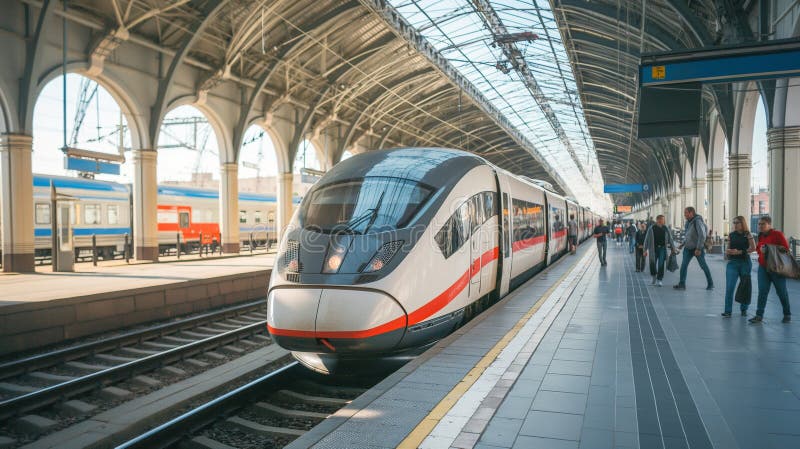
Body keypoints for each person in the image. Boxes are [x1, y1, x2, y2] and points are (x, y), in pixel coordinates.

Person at [749, 216, 792, 324]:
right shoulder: (761, 235)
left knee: (781, 292)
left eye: (763, 224)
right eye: (759, 224)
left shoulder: (778, 234)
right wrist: (761, 251)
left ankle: (787, 314)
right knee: (762, 291)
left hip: (776, 268)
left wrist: (769, 248)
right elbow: (759, 249)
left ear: (769, 224)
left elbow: (786, 249)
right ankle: (759, 316)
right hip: (763, 267)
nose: (760, 226)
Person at [674, 206, 714, 290]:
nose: (684, 215)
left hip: (697, 249)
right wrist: (682, 244)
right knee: (684, 266)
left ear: (691, 213)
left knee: (703, 266)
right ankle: (682, 284)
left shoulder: (698, 221)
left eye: (686, 213)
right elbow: (687, 236)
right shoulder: (688, 222)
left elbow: (702, 235)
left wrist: (699, 248)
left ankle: (710, 283)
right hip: (688, 248)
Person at [723, 216, 755, 317]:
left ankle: (744, 309)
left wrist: (740, 252)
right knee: (729, 287)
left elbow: (753, 248)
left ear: (742, 223)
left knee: (745, 286)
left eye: (737, 223)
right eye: (734, 223)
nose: (735, 225)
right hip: (733, 263)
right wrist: (728, 252)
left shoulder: (748, 234)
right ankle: (728, 311)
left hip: (745, 263)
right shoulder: (731, 235)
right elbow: (727, 249)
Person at [644, 215, 676, 286]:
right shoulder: (651, 228)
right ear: (658, 220)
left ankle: (659, 279)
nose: (663, 221)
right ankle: (654, 277)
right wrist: (645, 250)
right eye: (662, 219)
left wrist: (673, 248)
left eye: (664, 220)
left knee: (661, 264)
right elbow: (646, 239)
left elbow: (670, 239)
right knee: (652, 263)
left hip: (662, 249)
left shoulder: (666, 228)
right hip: (653, 249)